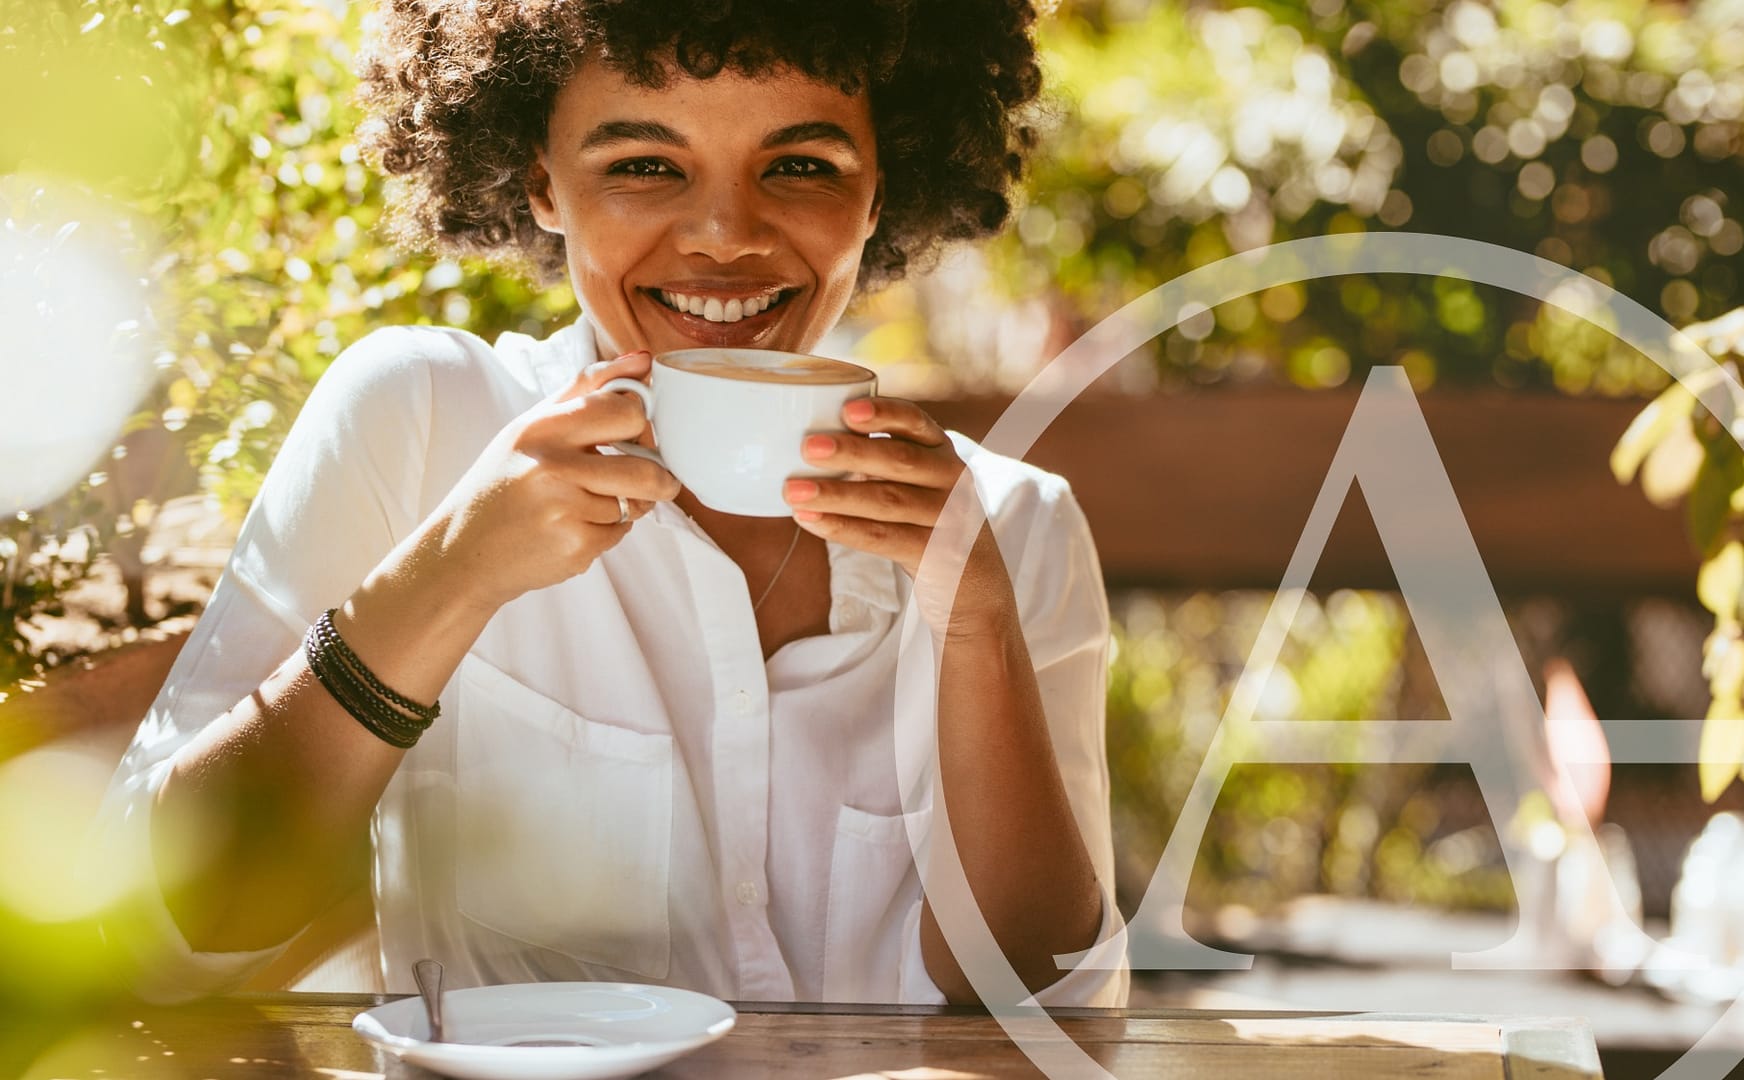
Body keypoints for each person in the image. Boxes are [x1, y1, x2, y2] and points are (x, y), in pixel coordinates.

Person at [97, 0, 1127, 1008]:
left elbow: (1053, 1016)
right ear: (541, 182)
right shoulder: (422, 421)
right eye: (644, 164)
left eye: (801, 166)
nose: (725, 236)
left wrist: (977, 625)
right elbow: (149, 940)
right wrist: (453, 573)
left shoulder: (1010, 525)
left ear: (878, 190)